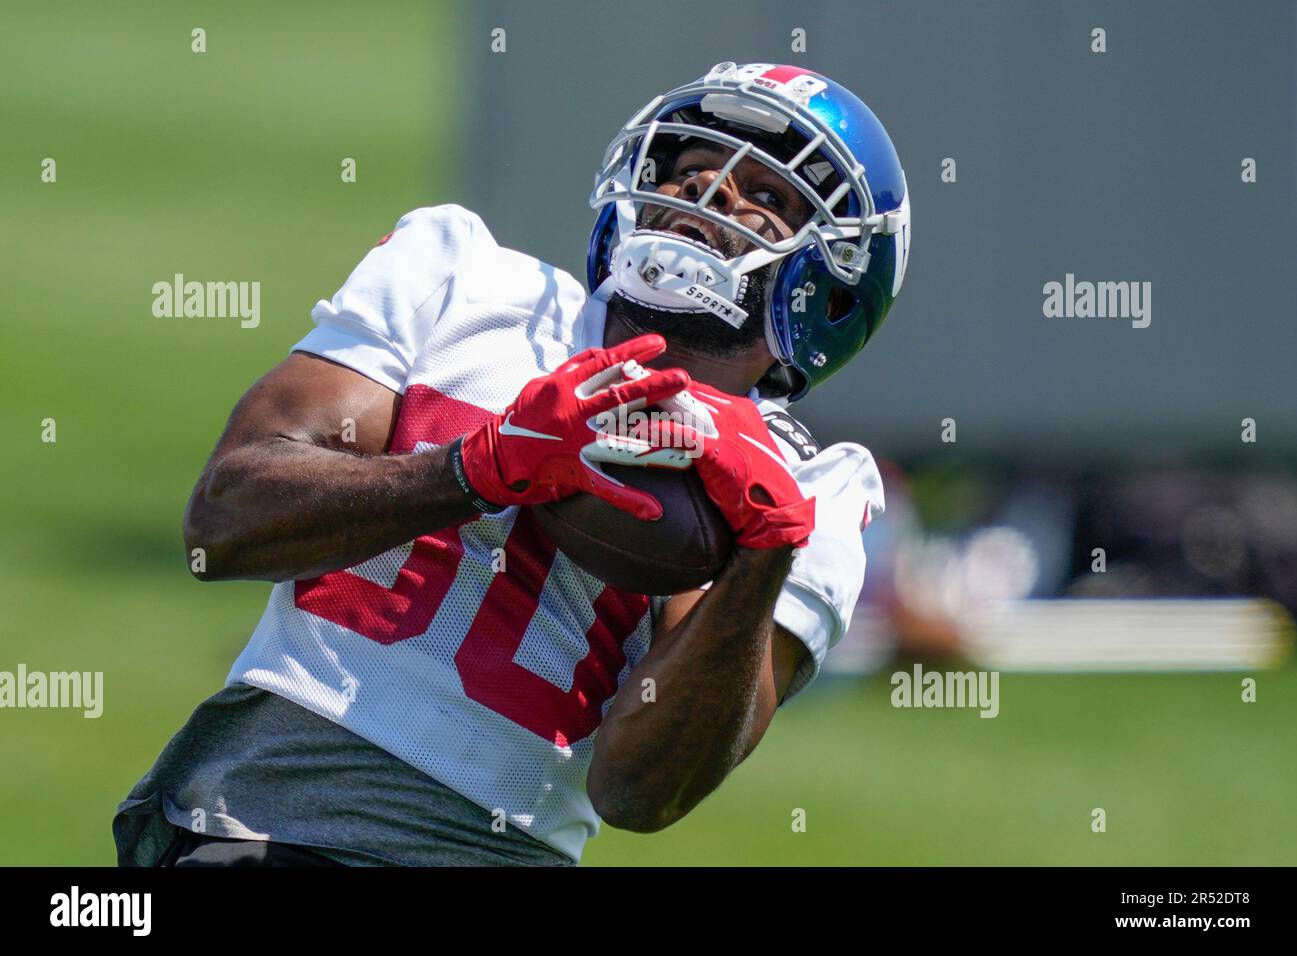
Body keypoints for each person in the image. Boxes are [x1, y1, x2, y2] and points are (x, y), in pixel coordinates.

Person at [114, 61, 910, 866]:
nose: (711, 198)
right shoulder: (466, 276)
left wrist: (761, 559)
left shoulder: (813, 485)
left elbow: (643, 789)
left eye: (766, 199)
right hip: (261, 814)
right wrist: (475, 470)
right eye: (695, 169)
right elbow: (223, 525)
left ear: (835, 286)